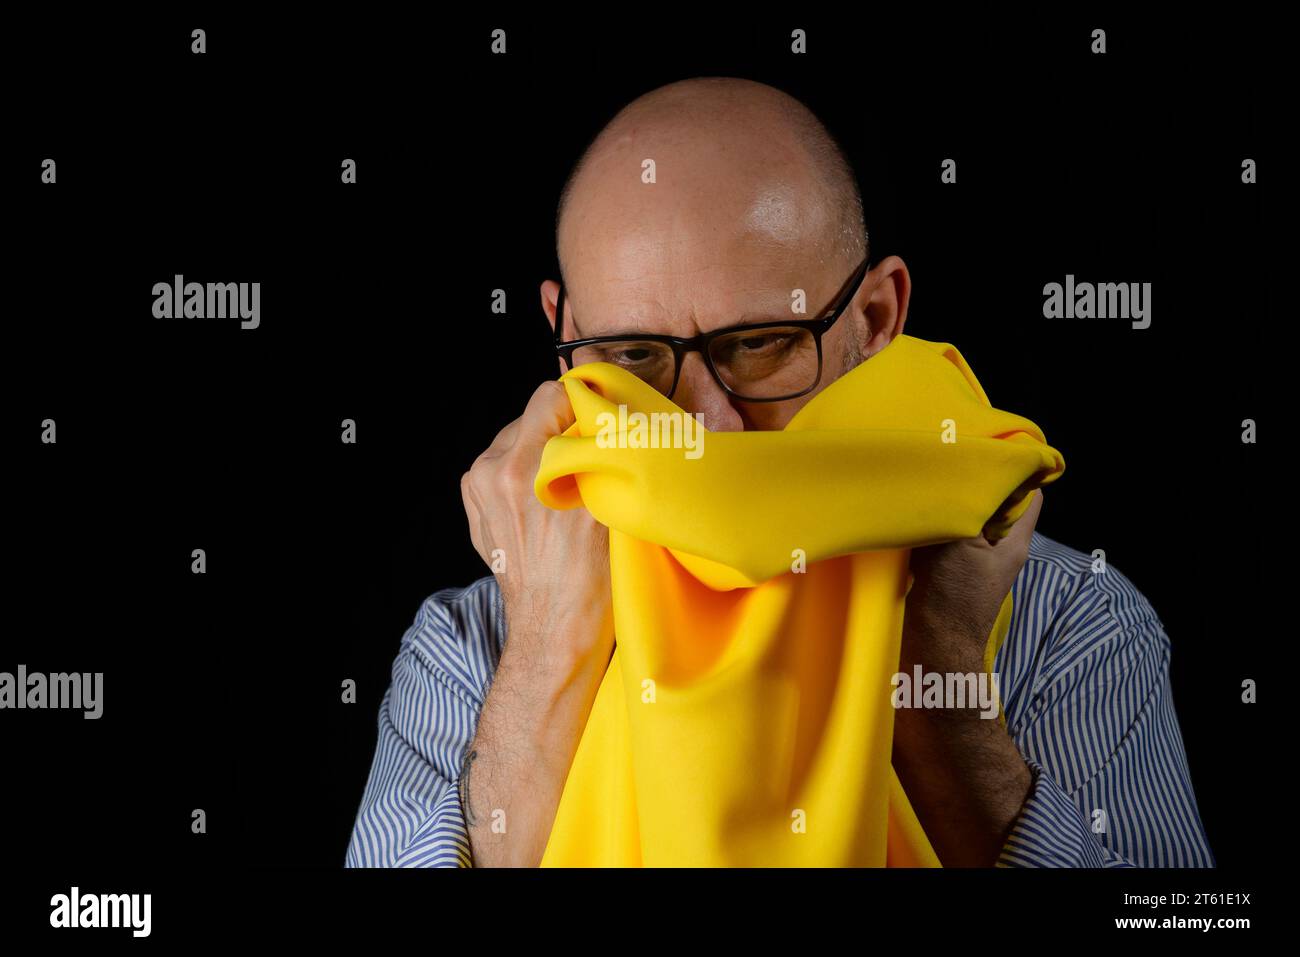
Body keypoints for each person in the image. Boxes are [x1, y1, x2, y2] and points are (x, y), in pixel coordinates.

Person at [345, 77, 1213, 868]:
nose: (707, 429)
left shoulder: (1070, 625)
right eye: (636, 357)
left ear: (876, 318)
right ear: (562, 334)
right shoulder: (475, 648)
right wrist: (544, 652)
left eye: (760, 344)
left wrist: (940, 684)